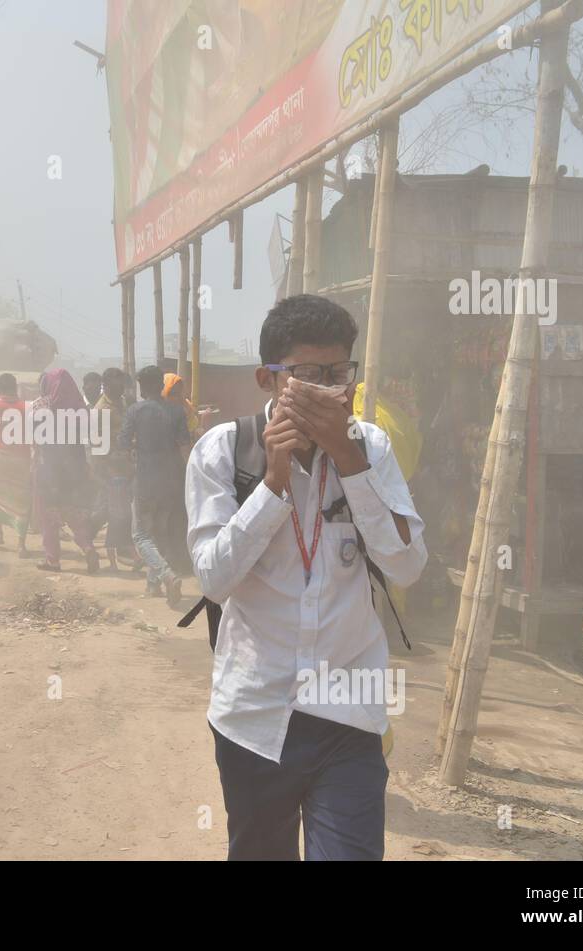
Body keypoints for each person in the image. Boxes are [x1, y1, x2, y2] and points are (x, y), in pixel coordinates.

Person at [185, 294, 427, 861]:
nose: (329, 390)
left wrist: (349, 460)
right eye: (308, 376)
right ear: (268, 380)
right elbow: (213, 578)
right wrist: (271, 485)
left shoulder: (371, 447)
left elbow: (407, 565)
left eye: (339, 373)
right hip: (255, 713)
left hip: (349, 711)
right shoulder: (222, 450)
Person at [119, 365, 190, 606]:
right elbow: (184, 447)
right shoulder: (177, 411)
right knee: (160, 533)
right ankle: (153, 586)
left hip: (146, 481)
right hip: (172, 481)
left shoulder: (135, 411)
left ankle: (166, 575)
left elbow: (123, 445)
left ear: (141, 387)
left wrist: (133, 467)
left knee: (140, 534)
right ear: (161, 385)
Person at [32, 369, 99, 574]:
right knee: (74, 512)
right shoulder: (81, 408)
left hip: (50, 469)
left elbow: (35, 440)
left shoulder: (40, 405)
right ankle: (87, 547)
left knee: (48, 514)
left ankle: (52, 560)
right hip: (75, 470)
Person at [91, 367, 139, 571]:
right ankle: (118, 552)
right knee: (116, 511)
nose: (122, 388)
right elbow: (95, 444)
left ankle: (91, 535)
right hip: (111, 466)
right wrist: (103, 470)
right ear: (107, 385)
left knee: (116, 510)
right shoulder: (100, 409)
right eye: (118, 384)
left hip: (125, 464)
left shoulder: (122, 403)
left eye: (123, 384)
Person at [0, 373, 31, 556]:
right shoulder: (26, 407)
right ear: (15, 387)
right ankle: (21, 545)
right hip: (22, 458)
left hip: (0, 456)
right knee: (21, 499)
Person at [163, 371, 201, 441]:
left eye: (180, 392)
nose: (178, 397)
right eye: (173, 394)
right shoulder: (159, 411)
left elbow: (194, 428)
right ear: (164, 392)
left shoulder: (186, 405)